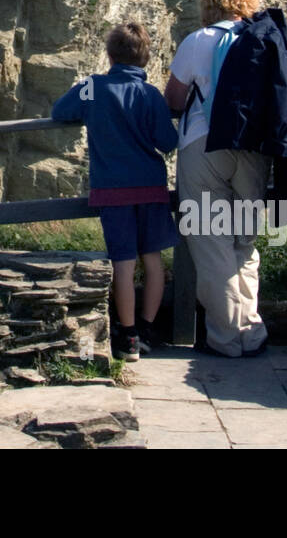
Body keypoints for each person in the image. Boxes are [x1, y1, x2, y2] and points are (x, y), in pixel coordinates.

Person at [52, 21, 179, 361]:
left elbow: (59, 112)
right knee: (153, 260)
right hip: (150, 187)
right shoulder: (150, 94)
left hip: (113, 191)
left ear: (109, 55)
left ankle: (129, 337)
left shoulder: (94, 87)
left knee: (122, 264)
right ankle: (148, 327)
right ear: (146, 58)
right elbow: (168, 142)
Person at [164, 0, 271, 358]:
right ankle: (251, 332)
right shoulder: (266, 37)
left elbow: (174, 101)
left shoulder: (199, 41)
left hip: (204, 147)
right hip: (256, 151)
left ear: (209, 1)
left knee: (210, 243)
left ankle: (226, 338)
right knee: (244, 242)